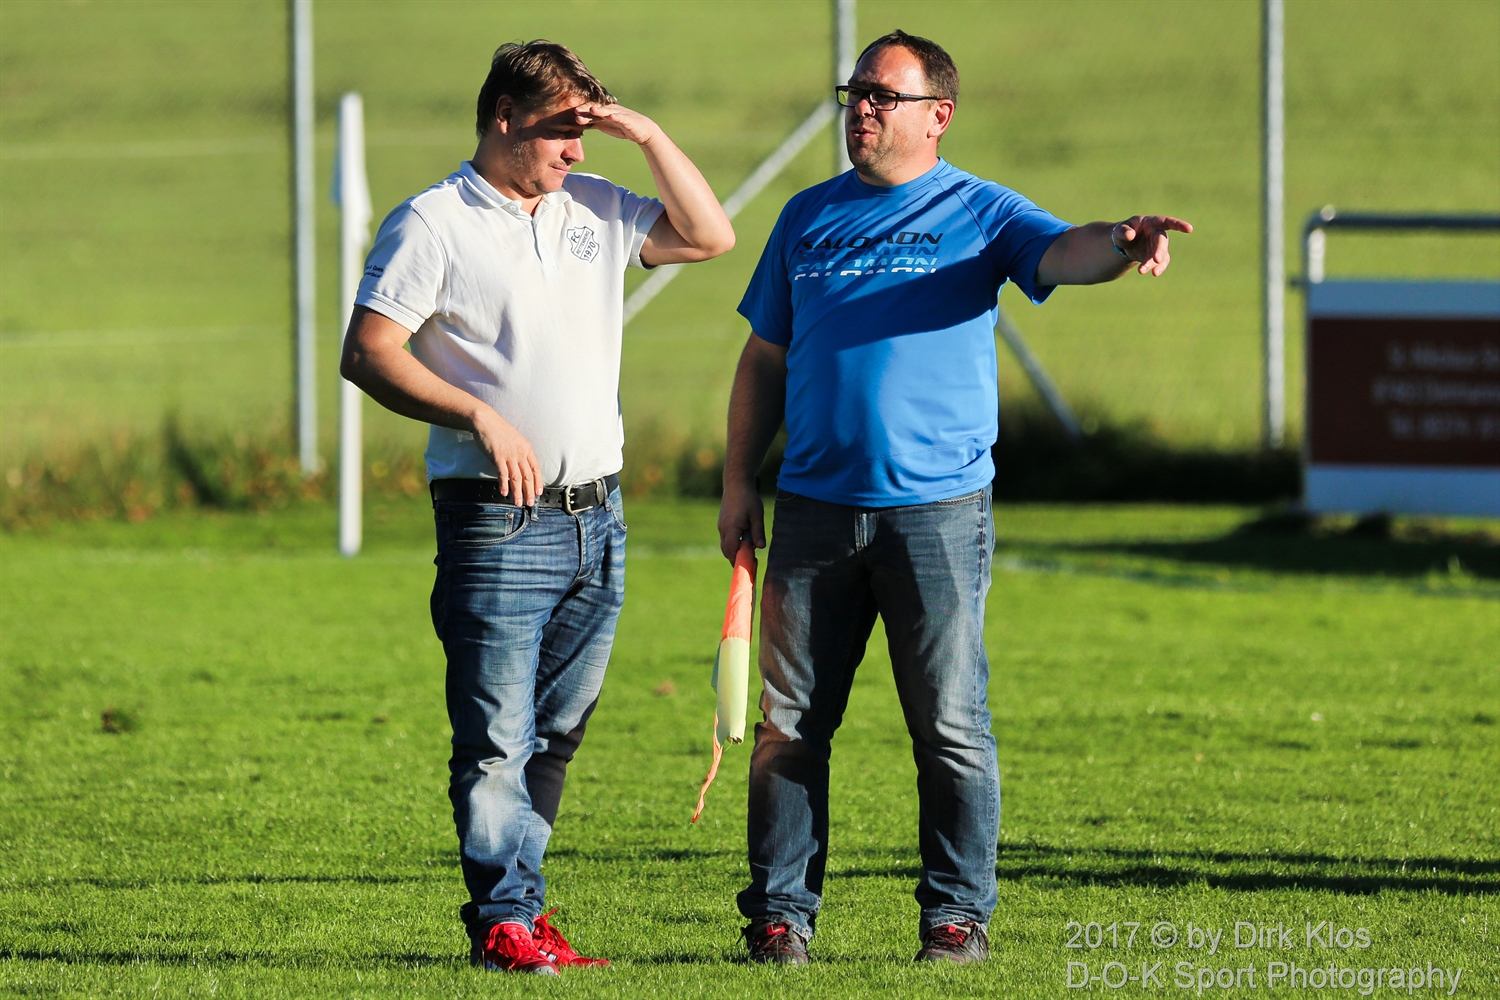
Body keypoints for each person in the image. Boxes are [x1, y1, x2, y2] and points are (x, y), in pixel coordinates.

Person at [718, 30, 1191, 965]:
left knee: (949, 726)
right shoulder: (806, 218)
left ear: (938, 116)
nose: (861, 107)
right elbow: (764, 356)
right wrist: (739, 479)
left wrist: (1122, 241)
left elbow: (1063, 252)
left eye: (882, 95)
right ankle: (779, 918)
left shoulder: (977, 210)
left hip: (938, 514)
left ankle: (956, 918)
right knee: (787, 728)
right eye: (855, 91)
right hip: (813, 510)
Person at [340, 40, 732, 975]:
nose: (578, 152)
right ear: (505, 118)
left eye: (588, 131)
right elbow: (368, 352)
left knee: (555, 733)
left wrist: (642, 130)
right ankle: (504, 921)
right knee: (495, 741)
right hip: (496, 522)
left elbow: (711, 236)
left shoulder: (590, 205)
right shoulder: (432, 223)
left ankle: (521, 913)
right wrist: (478, 412)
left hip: (601, 519)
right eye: (563, 129)